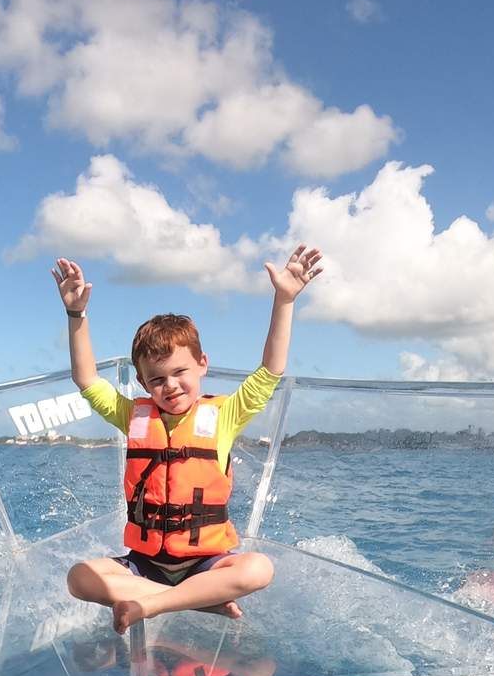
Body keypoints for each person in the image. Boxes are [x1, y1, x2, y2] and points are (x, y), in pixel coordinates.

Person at [53, 245, 323, 634]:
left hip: (206, 562)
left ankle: (152, 604)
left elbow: (270, 370)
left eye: (179, 371)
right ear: (144, 383)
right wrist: (76, 314)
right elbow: (87, 380)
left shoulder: (225, 415)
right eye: (157, 379)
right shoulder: (133, 417)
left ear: (202, 364)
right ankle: (198, 601)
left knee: (258, 568)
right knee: (79, 577)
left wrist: (284, 299)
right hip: (144, 564)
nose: (170, 385)